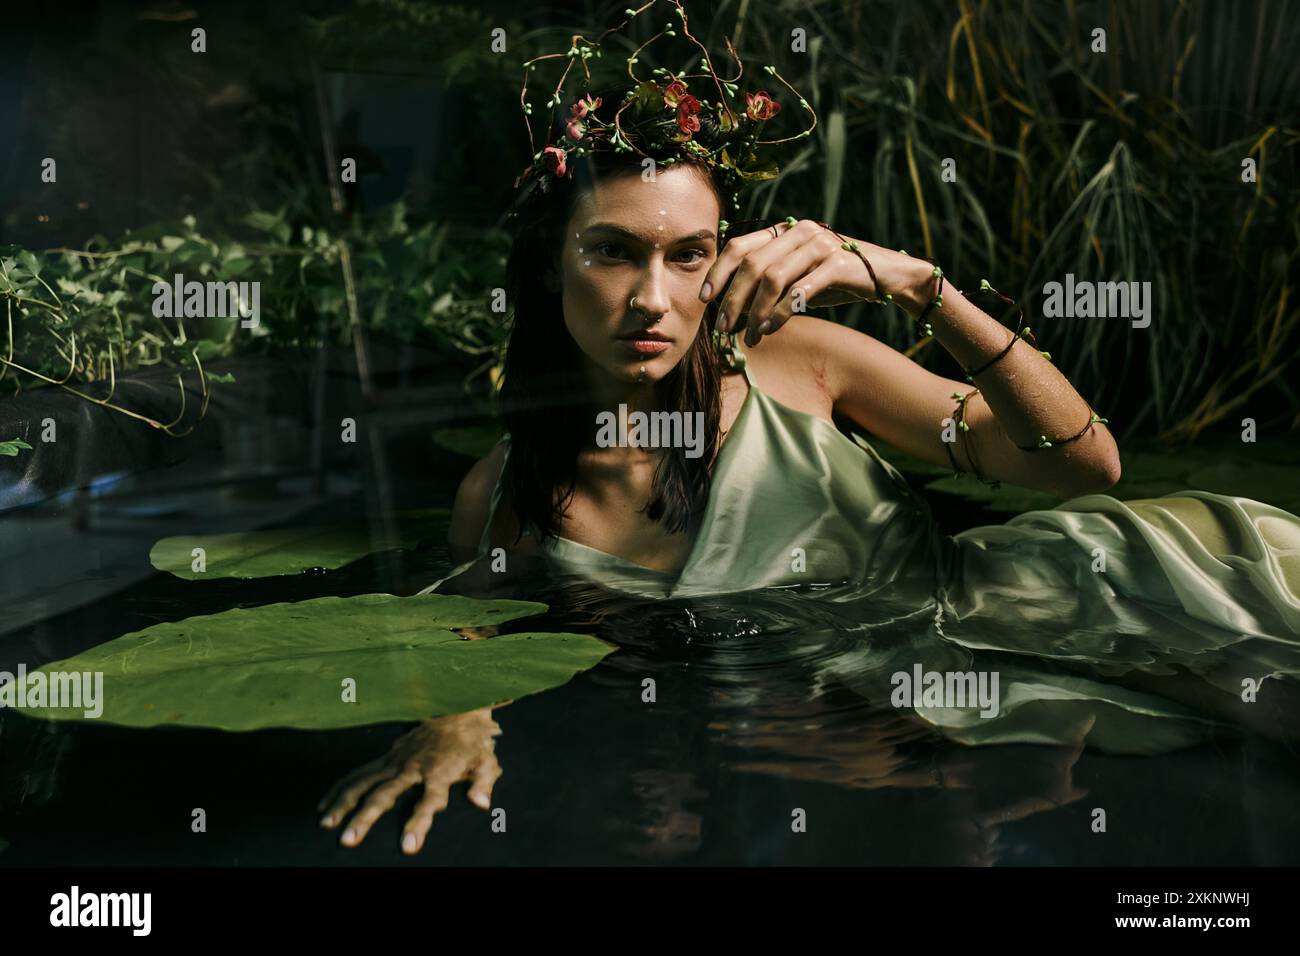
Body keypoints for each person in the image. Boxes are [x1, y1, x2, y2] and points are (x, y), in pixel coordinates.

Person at [322, 4, 1300, 854]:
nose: (653, 298)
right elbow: (467, 623)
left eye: (687, 253)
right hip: (909, 711)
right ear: (548, 264)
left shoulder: (797, 359)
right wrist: (452, 711)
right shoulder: (499, 494)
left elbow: (1086, 467)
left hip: (1085, 595)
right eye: (613, 252)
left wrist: (923, 288)